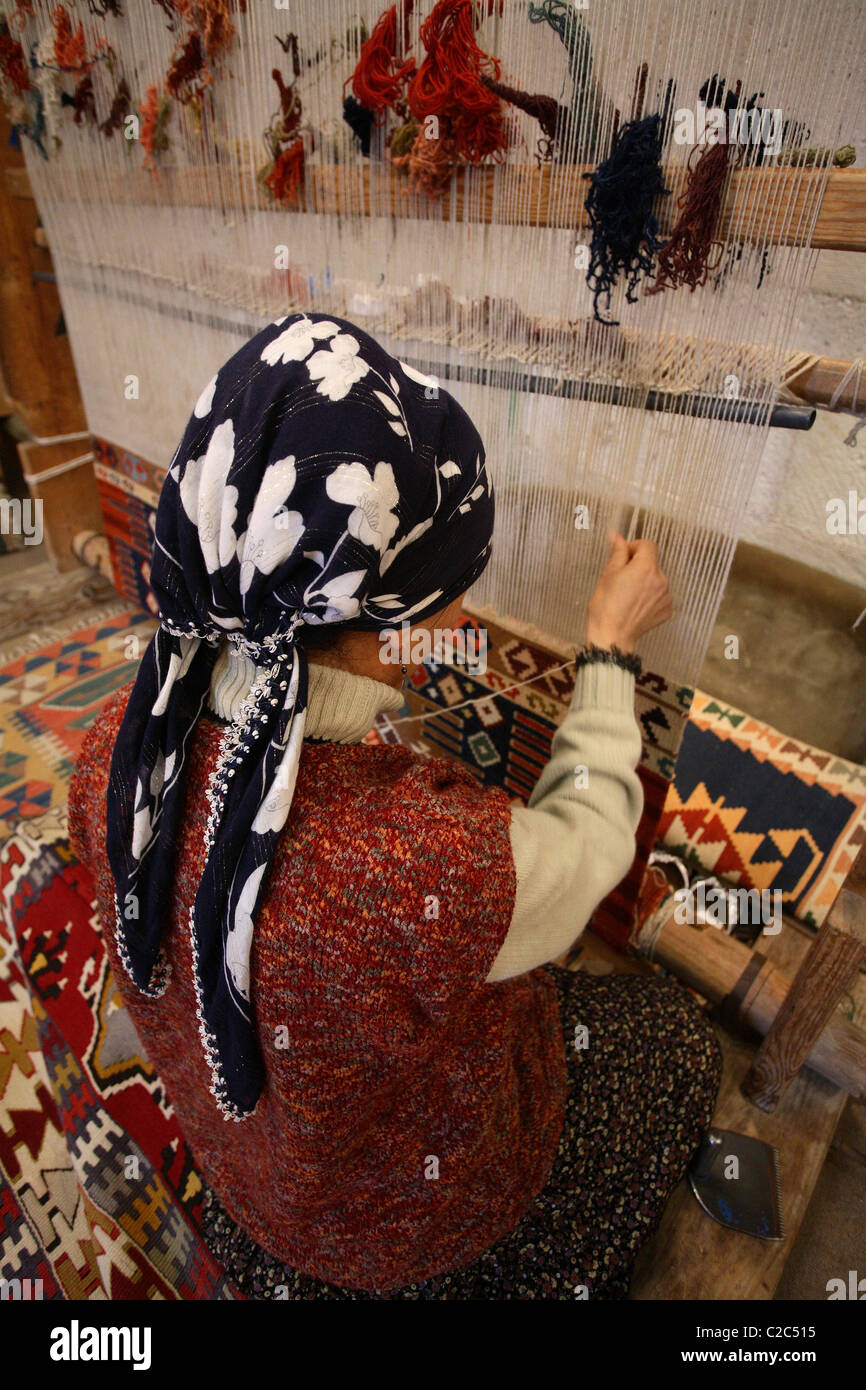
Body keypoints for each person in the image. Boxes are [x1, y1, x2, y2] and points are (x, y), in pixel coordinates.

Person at [68, 311, 721, 1300]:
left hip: (253, 1188)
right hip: (415, 1237)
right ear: (391, 620)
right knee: (669, 1034)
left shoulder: (113, 754)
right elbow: (588, 846)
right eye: (452, 580)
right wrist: (605, 649)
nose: (462, 608)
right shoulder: (425, 862)